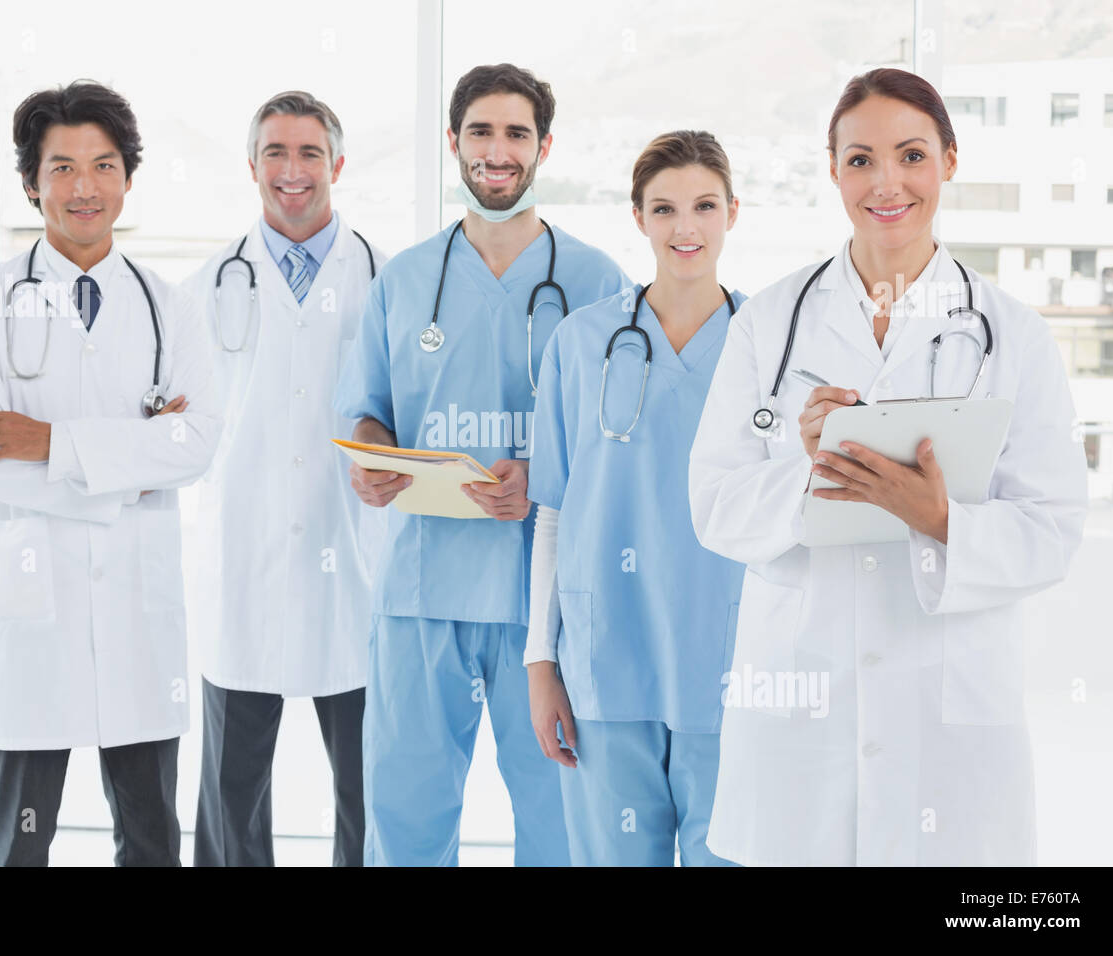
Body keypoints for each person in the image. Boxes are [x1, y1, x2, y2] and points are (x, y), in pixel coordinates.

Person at [688, 68, 1088, 866]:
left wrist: (938, 518)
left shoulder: (1013, 334)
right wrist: (808, 469)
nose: (887, 183)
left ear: (948, 160)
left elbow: (1054, 526)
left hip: (946, 715)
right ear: (833, 169)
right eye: (861, 159)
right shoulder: (770, 323)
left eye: (911, 155)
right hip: (801, 711)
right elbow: (714, 504)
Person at [334, 63, 630, 866]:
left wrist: (544, 476)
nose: (497, 151)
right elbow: (366, 409)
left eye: (516, 133)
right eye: (481, 132)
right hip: (423, 588)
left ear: (543, 147)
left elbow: (623, 439)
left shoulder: (598, 282)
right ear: (454, 142)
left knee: (559, 820)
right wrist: (371, 461)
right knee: (406, 816)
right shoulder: (404, 280)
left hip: (548, 602)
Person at [0, 80, 222, 866]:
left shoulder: (173, 308)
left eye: (102, 166)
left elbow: (197, 446)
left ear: (128, 178)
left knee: (152, 844)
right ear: (31, 182)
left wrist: (55, 444)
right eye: (62, 168)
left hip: (140, 622)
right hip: (33, 627)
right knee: (17, 849)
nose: (85, 188)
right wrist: (135, 459)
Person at [525, 130, 747, 866]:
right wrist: (540, 664)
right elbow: (551, 511)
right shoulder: (582, 343)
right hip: (606, 666)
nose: (686, 227)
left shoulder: (767, 348)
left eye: (704, 206)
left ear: (732, 213)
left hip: (732, 668)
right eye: (665, 208)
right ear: (639, 218)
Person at [185, 90, 386, 868]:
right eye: (276, 152)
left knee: (369, 792)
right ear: (252, 165)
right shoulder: (206, 285)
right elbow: (180, 422)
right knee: (231, 799)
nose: (292, 170)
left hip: (359, 563)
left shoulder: (387, 279)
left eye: (308, 153)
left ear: (336, 164)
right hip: (245, 565)